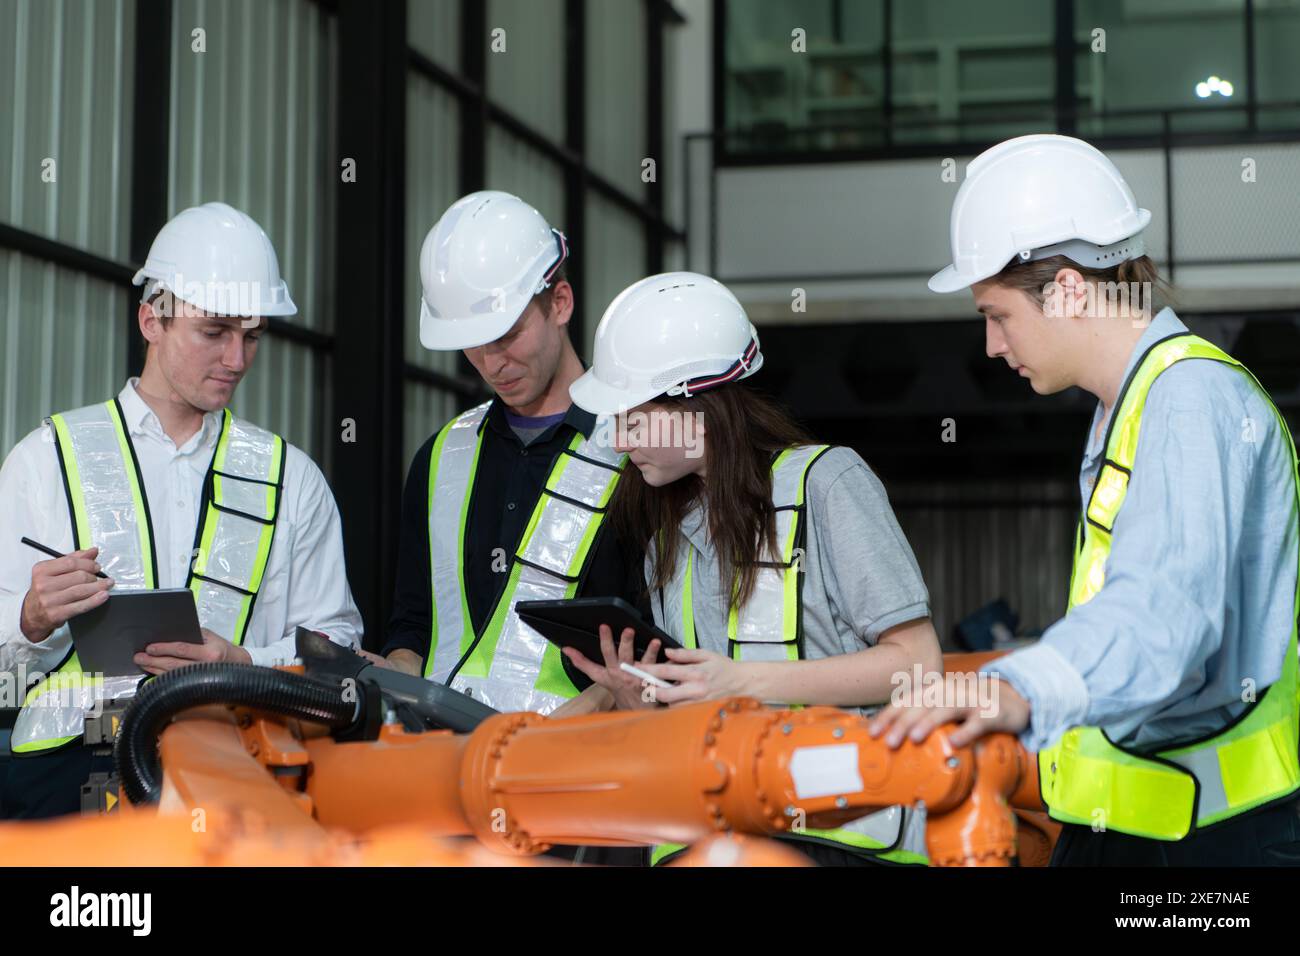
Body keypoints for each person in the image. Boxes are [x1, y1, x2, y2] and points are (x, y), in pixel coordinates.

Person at [871, 133, 1300, 866]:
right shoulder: (1128, 407)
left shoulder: (1191, 398)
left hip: (1216, 841)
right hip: (1144, 823)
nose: (991, 347)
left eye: (996, 315)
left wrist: (1017, 687)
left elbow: (1165, 613)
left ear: (1068, 288)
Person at [565, 271, 944, 866]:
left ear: (695, 406)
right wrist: (641, 701)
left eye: (632, 417)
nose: (618, 441)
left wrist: (741, 681)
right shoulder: (666, 534)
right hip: (713, 837)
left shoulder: (827, 483)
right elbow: (693, 718)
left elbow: (917, 666)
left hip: (841, 840)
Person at [0, 201, 363, 818]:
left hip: (235, 771)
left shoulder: (292, 482)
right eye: (215, 333)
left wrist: (244, 662)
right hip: (64, 778)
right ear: (151, 320)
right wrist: (29, 619)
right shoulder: (45, 459)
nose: (237, 360)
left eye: (252, 336)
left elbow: (341, 651)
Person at [382, 190, 647, 720]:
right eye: (472, 345)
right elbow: (413, 625)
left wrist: (567, 723)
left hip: (588, 762)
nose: (491, 362)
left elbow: (656, 638)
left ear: (561, 304)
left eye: (506, 335)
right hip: (444, 752)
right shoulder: (441, 458)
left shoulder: (640, 453)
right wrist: (395, 680)